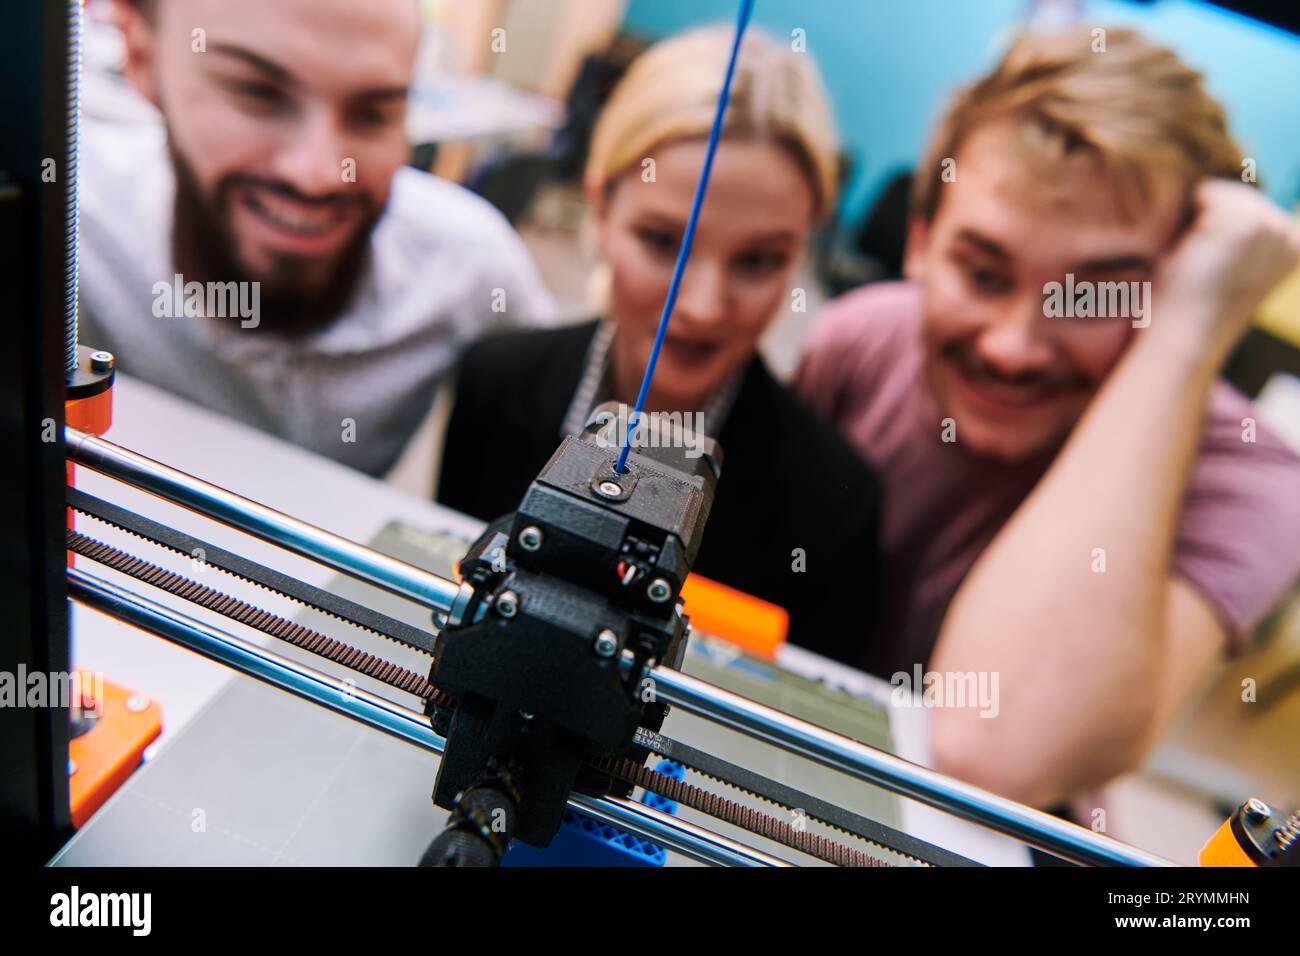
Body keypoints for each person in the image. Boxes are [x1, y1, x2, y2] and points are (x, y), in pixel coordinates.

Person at [796, 27, 1300, 806]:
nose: (1015, 348)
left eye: (1093, 294)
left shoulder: (1248, 477)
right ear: (922, 242)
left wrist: (1193, 333)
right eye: (983, 271)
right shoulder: (859, 342)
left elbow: (993, 748)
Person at [436, 28, 882, 663]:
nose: (700, 307)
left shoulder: (833, 507)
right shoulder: (494, 383)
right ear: (600, 211)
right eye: (662, 242)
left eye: (757, 260)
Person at [79, 0, 556, 476]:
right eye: (256, 92)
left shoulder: (468, 266)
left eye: (373, 113)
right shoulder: (67, 223)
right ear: (140, 53)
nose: (318, 175)